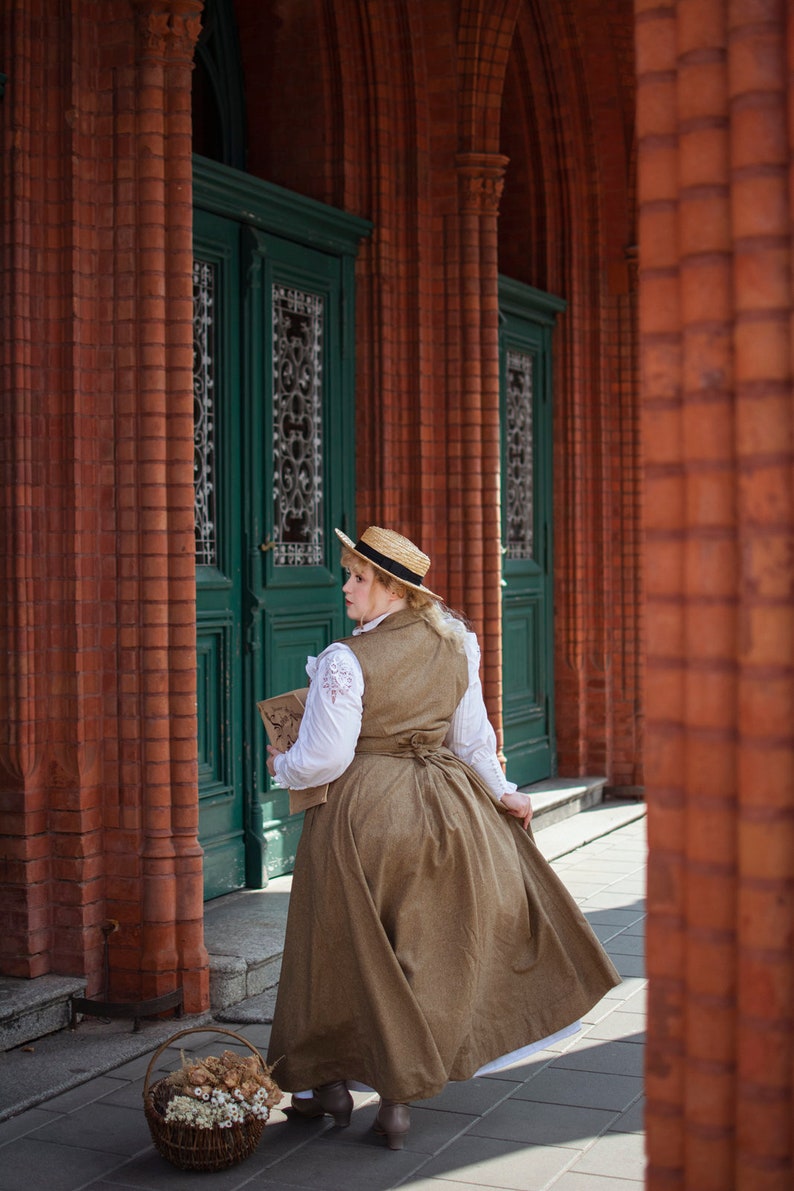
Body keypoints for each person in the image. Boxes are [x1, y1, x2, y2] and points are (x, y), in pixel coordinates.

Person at [265, 526, 620, 1150]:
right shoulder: (458, 644)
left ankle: (327, 1086)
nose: (345, 587)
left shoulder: (346, 661)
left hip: (362, 813)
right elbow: (472, 738)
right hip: (445, 812)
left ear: (394, 589)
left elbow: (324, 757)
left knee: (338, 949)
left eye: (358, 578)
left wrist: (280, 767)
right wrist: (503, 791)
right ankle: (396, 1104)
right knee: (419, 954)